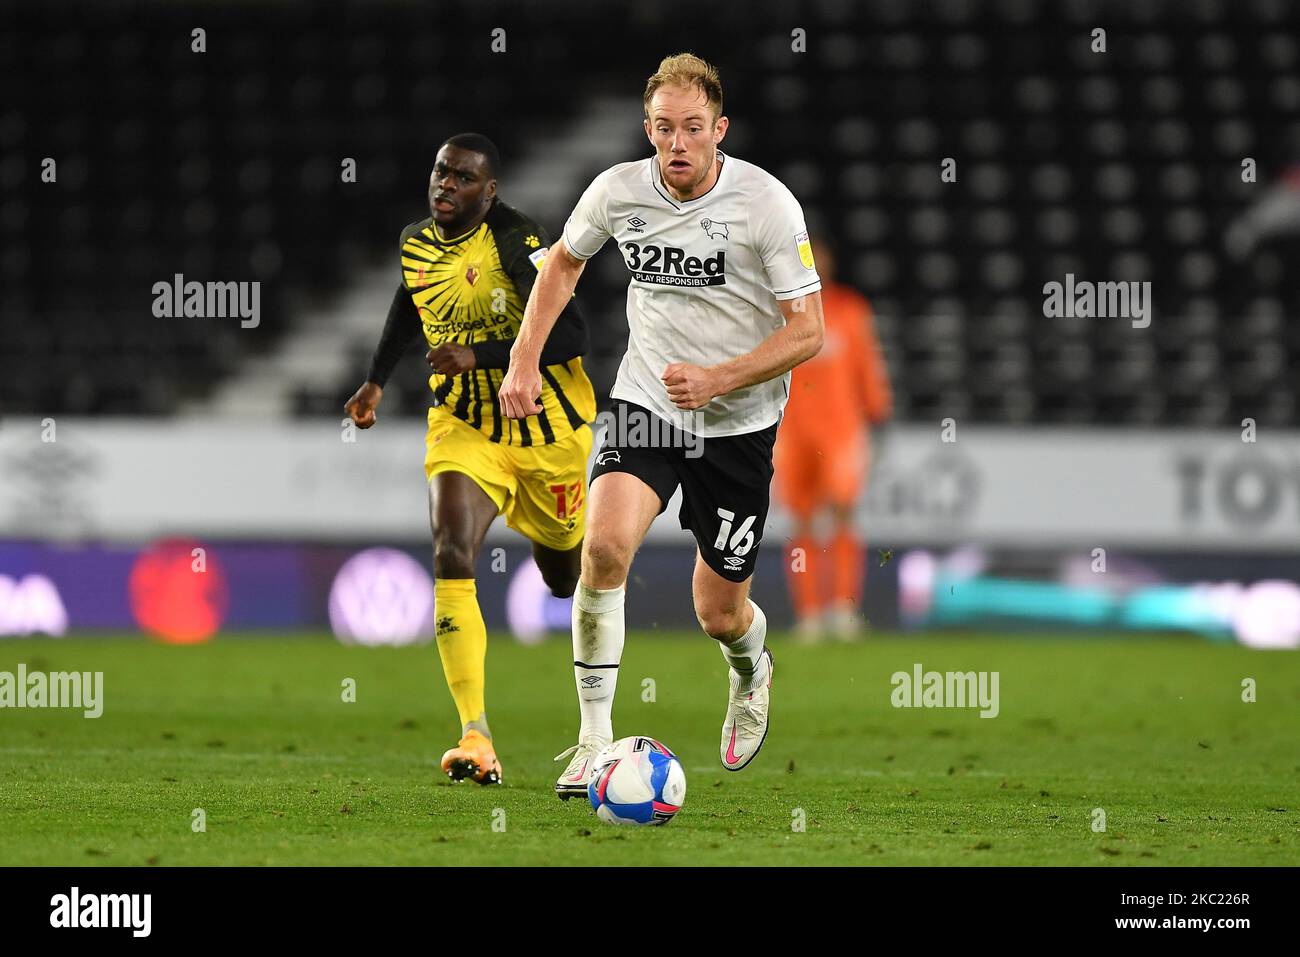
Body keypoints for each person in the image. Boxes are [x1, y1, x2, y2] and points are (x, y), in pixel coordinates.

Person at [498, 54, 824, 797]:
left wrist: (718, 378)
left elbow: (809, 332)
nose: (678, 142)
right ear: (648, 129)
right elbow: (560, 267)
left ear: (720, 131)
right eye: (665, 128)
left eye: (694, 129)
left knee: (717, 611)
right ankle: (591, 741)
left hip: (739, 423)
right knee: (604, 547)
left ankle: (751, 668)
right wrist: (524, 360)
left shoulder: (766, 205)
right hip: (647, 402)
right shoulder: (618, 191)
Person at [344, 133, 597, 785]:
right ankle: (475, 735)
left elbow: (572, 333)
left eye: (462, 178)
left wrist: (481, 356)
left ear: (490, 192)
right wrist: (376, 378)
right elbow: (410, 301)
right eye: (439, 172)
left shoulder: (516, 238)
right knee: (452, 549)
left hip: (547, 430)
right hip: (463, 424)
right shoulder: (416, 242)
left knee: (564, 576)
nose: (445, 185)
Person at [774, 236, 892, 641]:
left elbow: (867, 365)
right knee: (801, 521)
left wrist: (878, 412)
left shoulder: (849, 309)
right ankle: (809, 614)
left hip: (841, 431)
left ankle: (843, 609)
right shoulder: (781, 310)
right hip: (791, 430)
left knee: (843, 513)